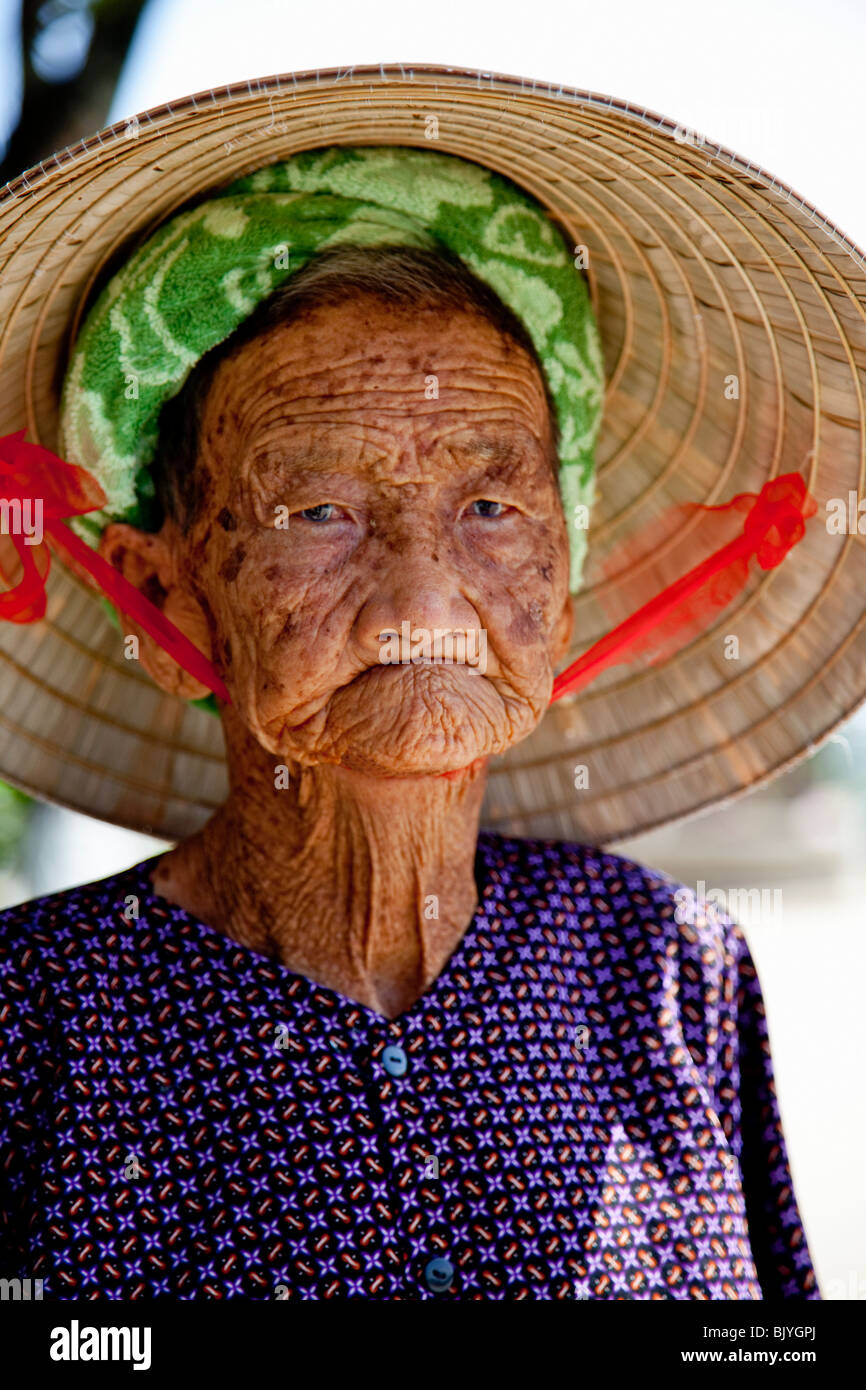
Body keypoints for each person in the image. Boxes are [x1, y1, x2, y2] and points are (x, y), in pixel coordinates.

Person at [2, 75, 857, 1301]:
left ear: (561, 573)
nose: (421, 605)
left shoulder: (671, 974)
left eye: (490, 507)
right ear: (171, 586)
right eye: (321, 510)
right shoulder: (31, 1021)